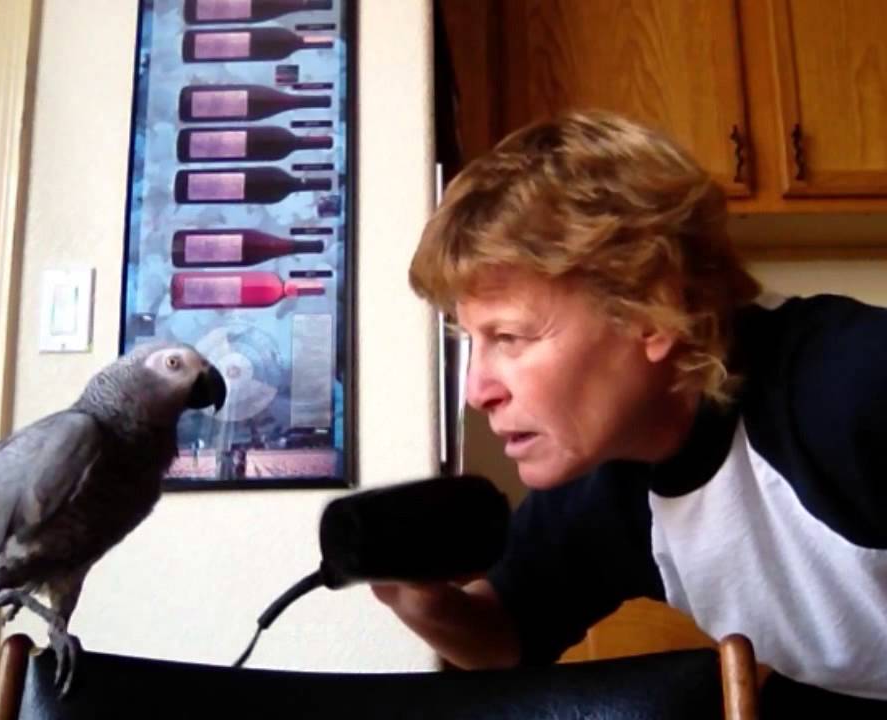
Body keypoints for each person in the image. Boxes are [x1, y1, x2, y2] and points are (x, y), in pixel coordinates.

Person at [372, 110, 887, 710]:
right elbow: (506, 637)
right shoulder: (609, 475)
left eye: (509, 337)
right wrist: (421, 599)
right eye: (473, 342)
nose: (477, 390)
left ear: (649, 311)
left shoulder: (853, 384)